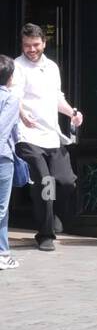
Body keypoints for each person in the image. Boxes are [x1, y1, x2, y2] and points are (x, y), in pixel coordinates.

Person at [11, 23, 82, 251]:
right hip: (28, 136)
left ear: (44, 43)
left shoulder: (52, 67)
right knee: (44, 182)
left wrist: (72, 112)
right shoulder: (17, 66)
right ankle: (45, 233)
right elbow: (14, 97)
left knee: (65, 181)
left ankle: (53, 214)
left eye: (35, 45)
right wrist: (23, 116)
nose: (31, 49)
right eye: (26, 45)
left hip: (52, 134)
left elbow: (57, 98)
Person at [0, 56, 21, 269]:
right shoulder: (10, 98)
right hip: (2, 157)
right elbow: (3, 129)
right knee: (1, 208)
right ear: (10, 77)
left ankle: (4, 253)